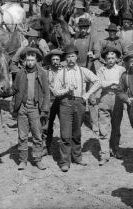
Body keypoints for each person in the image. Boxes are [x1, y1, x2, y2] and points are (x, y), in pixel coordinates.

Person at [50, 44, 101, 172]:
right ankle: (64, 161)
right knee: (65, 134)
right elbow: (55, 92)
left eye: (72, 56)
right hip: (65, 104)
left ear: (77, 57)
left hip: (80, 103)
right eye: (68, 57)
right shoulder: (61, 73)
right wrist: (67, 89)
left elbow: (98, 81)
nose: (70, 59)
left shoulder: (83, 71)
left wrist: (87, 95)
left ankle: (77, 157)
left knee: (77, 133)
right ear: (65, 59)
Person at [12, 47, 50, 170]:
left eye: (32, 60)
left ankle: (37, 159)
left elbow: (46, 93)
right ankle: (23, 160)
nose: (29, 62)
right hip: (22, 108)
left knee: (37, 135)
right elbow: (14, 90)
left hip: (35, 109)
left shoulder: (42, 73)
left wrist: (44, 109)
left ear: (36, 60)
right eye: (27, 60)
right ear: (24, 61)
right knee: (22, 136)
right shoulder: (20, 73)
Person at [95, 46, 126, 165]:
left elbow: (123, 84)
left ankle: (116, 149)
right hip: (105, 98)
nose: (110, 60)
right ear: (104, 59)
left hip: (118, 98)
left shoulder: (121, 69)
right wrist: (113, 82)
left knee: (116, 126)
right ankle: (104, 153)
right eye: (108, 58)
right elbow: (100, 83)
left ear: (117, 58)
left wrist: (116, 85)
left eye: (113, 58)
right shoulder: (101, 70)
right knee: (103, 127)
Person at [43, 49, 65, 154]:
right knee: (47, 125)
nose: (55, 61)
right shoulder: (45, 71)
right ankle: (46, 147)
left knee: (64, 125)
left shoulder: (64, 71)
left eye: (57, 59)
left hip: (62, 101)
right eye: (53, 59)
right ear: (50, 61)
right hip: (49, 101)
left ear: (60, 60)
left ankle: (64, 150)